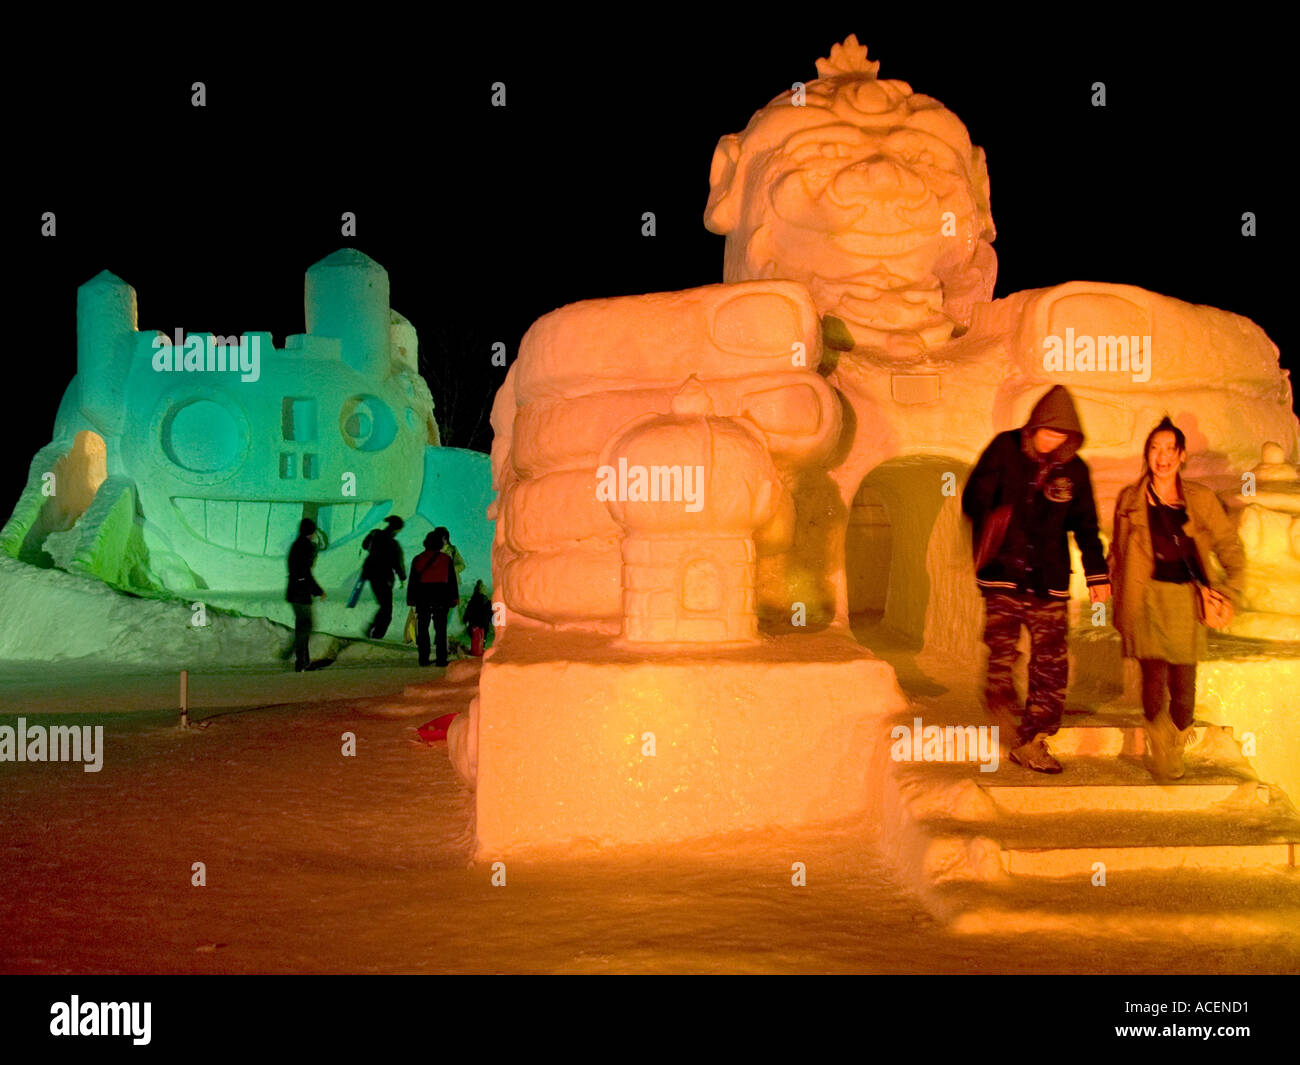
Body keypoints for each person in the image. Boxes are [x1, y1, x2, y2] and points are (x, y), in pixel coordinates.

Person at [961, 385, 1111, 773]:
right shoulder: (1005, 449)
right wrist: (998, 504)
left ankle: (1033, 739)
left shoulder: (1074, 470)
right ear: (1035, 425)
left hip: (1049, 579)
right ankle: (1003, 708)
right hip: (1003, 576)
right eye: (1048, 431)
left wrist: (1097, 574)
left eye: (1061, 435)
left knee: (1051, 663)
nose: (1053, 440)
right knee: (1002, 657)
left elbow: (1087, 526)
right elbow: (972, 500)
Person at [1108, 417, 1245, 779]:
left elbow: (1229, 545)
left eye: (1171, 449)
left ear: (1182, 456)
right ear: (1147, 454)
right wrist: (1112, 588)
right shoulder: (1130, 499)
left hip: (1187, 599)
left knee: (1184, 687)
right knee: (1153, 676)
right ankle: (1159, 745)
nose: (1162, 457)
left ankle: (1176, 738)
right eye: (1155, 448)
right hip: (1147, 595)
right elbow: (1117, 553)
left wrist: (1230, 591)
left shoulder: (1199, 498)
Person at [407, 527, 460, 667]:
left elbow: (413, 581)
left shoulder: (418, 559)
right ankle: (441, 660)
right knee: (441, 630)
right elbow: (451, 581)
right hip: (441, 597)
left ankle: (423, 659)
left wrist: (411, 598)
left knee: (423, 629)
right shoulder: (446, 559)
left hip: (423, 596)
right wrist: (454, 597)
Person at [286, 518, 327, 671]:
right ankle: (300, 660)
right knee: (305, 627)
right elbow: (305, 573)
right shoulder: (305, 547)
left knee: (302, 626)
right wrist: (318, 591)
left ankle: (302, 660)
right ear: (311, 532)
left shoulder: (296, 545)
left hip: (294, 591)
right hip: (301, 592)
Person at [361, 515, 406, 639]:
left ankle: (373, 629)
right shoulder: (393, 543)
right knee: (387, 609)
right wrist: (402, 577)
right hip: (385, 577)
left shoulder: (375, 535)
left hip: (371, 574)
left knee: (384, 606)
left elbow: (364, 546)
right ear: (397, 529)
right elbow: (397, 562)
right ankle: (376, 635)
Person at [463, 580, 493, 656]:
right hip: (482, 624)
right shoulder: (485, 600)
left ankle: (476, 651)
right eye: (483, 587)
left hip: (474, 623)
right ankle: (479, 650)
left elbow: (468, 610)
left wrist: (465, 619)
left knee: (475, 639)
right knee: (481, 638)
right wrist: (492, 621)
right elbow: (489, 612)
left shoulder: (473, 600)